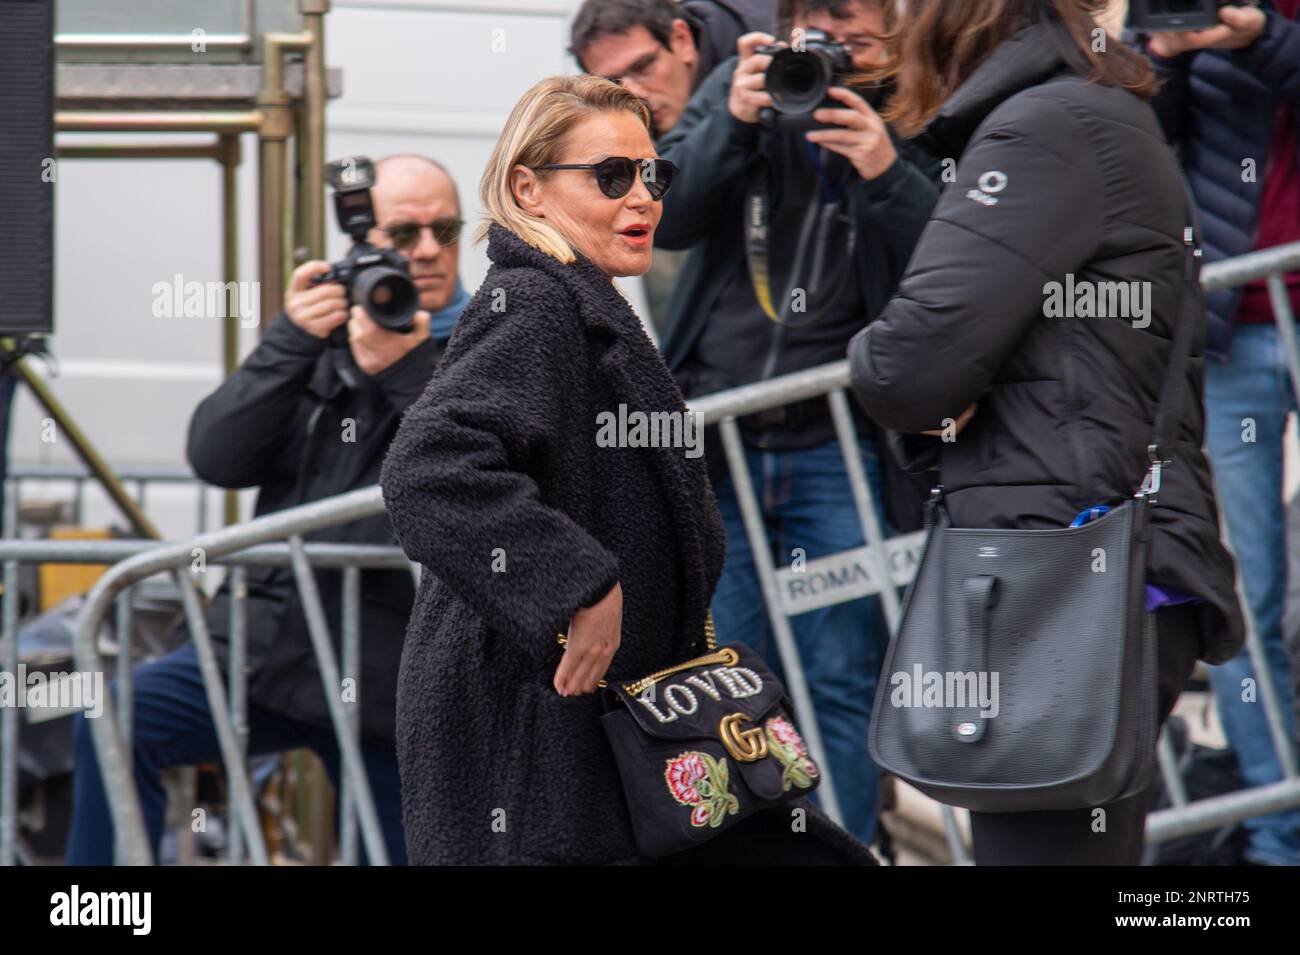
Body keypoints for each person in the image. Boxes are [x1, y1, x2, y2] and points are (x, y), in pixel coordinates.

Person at [379, 74, 873, 865]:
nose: (642, 197)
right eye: (612, 176)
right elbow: (428, 471)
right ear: (527, 189)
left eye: (655, 174)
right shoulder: (535, 305)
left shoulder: (582, 301)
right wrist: (577, 582)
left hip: (617, 730)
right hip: (536, 742)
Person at [848, 0, 1245, 865]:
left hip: (1070, 563)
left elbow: (902, 367)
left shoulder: (1044, 127)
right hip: (1098, 553)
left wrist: (930, 376)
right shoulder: (1086, 111)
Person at [65, 154, 469, 865]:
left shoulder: (483, 341)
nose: (429, 251)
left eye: (447, 229)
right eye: (406, 233)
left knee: (414, 846)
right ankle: (100, 910)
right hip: (264, 644)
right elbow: (217, 455)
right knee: (115, 719)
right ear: (363, 241)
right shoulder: (322, 337)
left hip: (391, 668)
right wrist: (289, 337)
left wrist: (405, 367)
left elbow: (471, 472)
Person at [652, 0, 939, 849]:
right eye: (807, 20)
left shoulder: (920, 100)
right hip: (724, 450)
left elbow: (958, 255)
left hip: (841, 446)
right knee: (729, 685)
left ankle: (841, 852)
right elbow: (664, 215)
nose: (825, 40)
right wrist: (734, 121)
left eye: (844, 19)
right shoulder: (739, 83)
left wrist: (887, 169)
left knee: (839, 677)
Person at [1140, 1, 1300, 867]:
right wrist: (1161, 54)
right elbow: (1140, 141)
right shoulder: (1181, 21)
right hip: (1236, 326)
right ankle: (1281, 843)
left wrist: (1263, 40)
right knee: (1247, 602)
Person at [569, 0, 777, 332]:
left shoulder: (775, 69)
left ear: (681, 40)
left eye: (644, 66)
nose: (634, 94)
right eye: (614, 82)